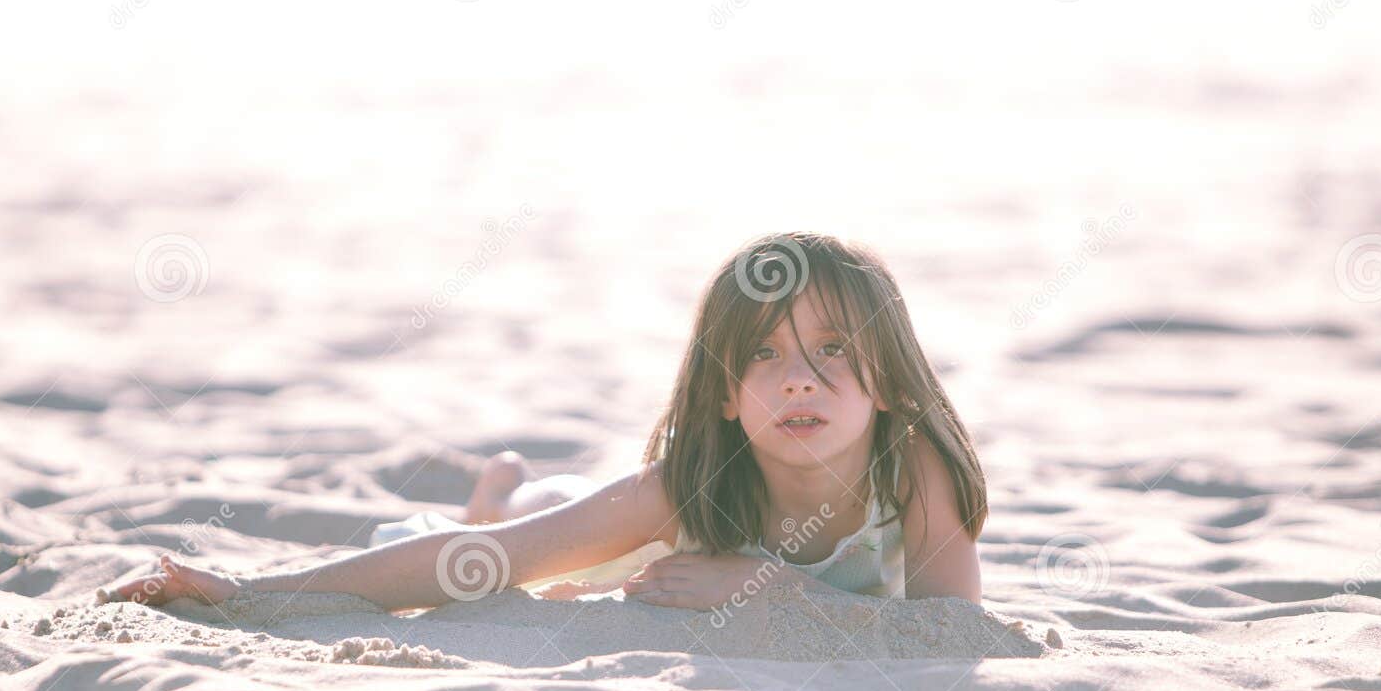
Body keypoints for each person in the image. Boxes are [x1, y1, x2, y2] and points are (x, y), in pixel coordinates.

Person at [108, 232, 987, 614]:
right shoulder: (692, 484)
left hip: (668, 555)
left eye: (832, 348)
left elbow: (953, 627)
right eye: (763, 354)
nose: (799, 379)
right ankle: (499, 490)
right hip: (617, 541)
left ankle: (504, 491)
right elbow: (500, 563)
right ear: (722, 392)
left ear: (890, 382)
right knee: (541, 514)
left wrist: (768, 589)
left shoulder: (914, 470)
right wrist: (256, 595)